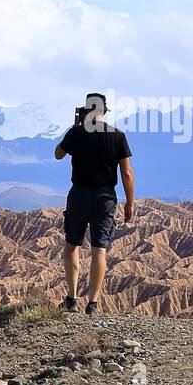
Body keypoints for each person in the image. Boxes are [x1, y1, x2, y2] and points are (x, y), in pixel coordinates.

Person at [55, 92, 135, 316]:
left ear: (86, 111)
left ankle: (71, 300)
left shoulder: (76, 132)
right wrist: (130, 203)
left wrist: (75, 129)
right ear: (103, 111)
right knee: (99, 250)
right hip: (105, 198)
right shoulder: (117, 136)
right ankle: (93, 304)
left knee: (72, 246)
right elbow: (127, 173)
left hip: (79, 194)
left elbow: (58, 154)